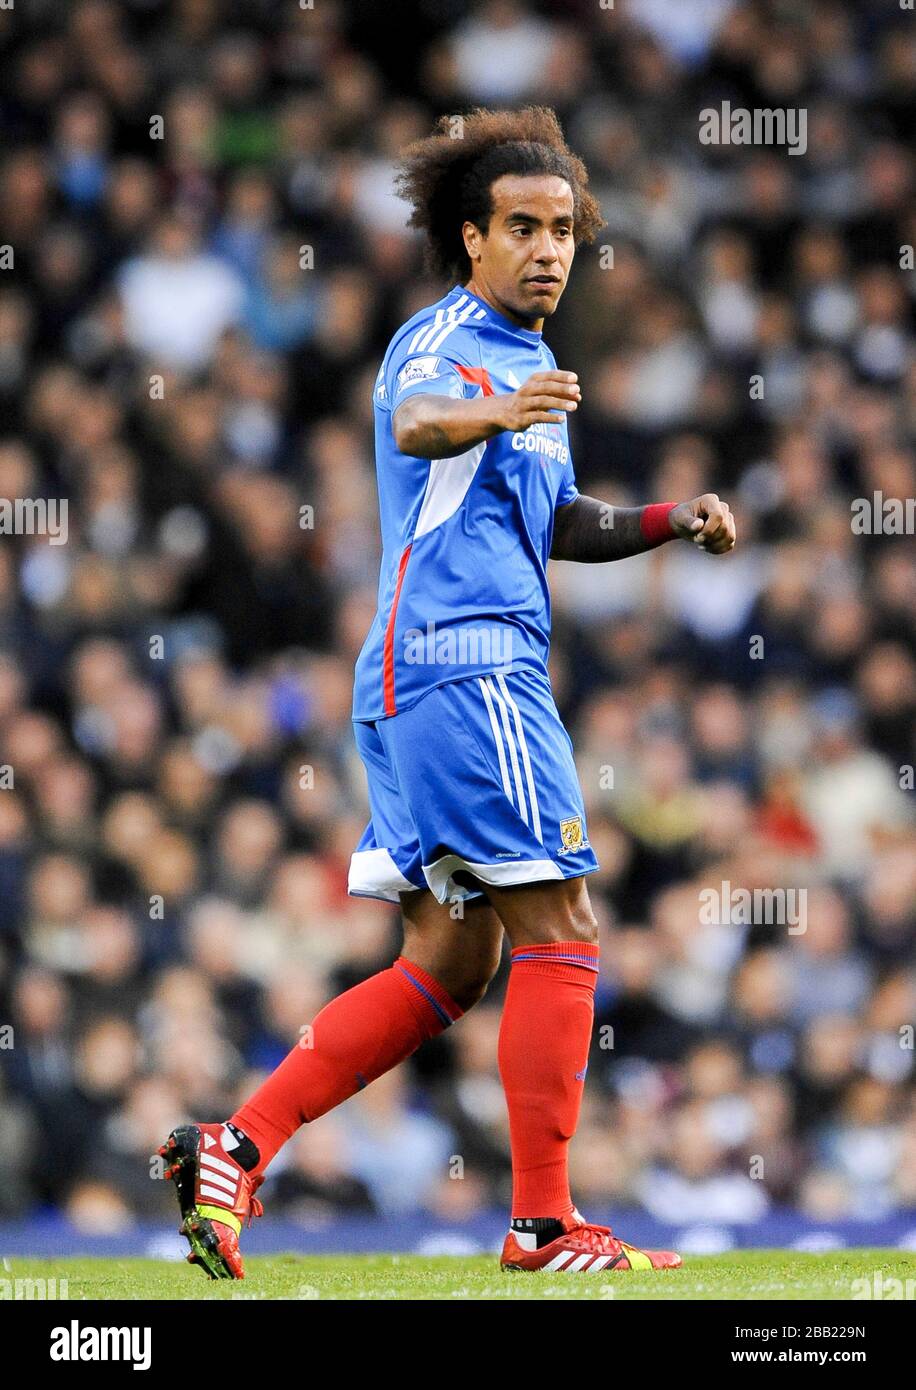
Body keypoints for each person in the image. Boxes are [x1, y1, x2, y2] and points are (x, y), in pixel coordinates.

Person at [160, 105, 736, 1279]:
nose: (547, 248)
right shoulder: (448, 344)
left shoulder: (530, 369)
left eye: (564, 229)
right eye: (520, 226)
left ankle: (236, 1141)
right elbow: (421, 422)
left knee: (451, 962)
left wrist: (675, 519)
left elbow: (555, 524)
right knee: (564, 923)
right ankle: (541, 1221)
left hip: (420, 673)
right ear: (471, 239)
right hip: (466, 664)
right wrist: (494, 409)